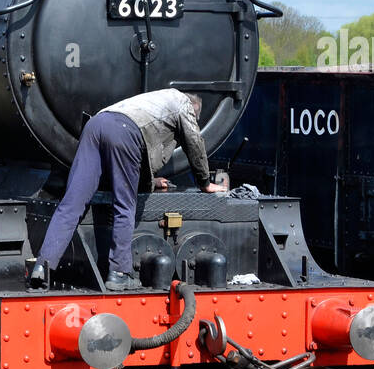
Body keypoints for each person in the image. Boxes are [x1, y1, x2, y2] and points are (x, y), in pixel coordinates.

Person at [29, 88, 227, 292]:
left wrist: (151, 181)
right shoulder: (183, 103)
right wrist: (205, 182)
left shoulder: (153, 101)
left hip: (95, 125)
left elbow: (130, 159)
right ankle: (118, 274)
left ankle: (42, 267)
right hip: (123, 131)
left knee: (71, 204)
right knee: (124, 206)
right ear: (195, 109)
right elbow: (194, 141)